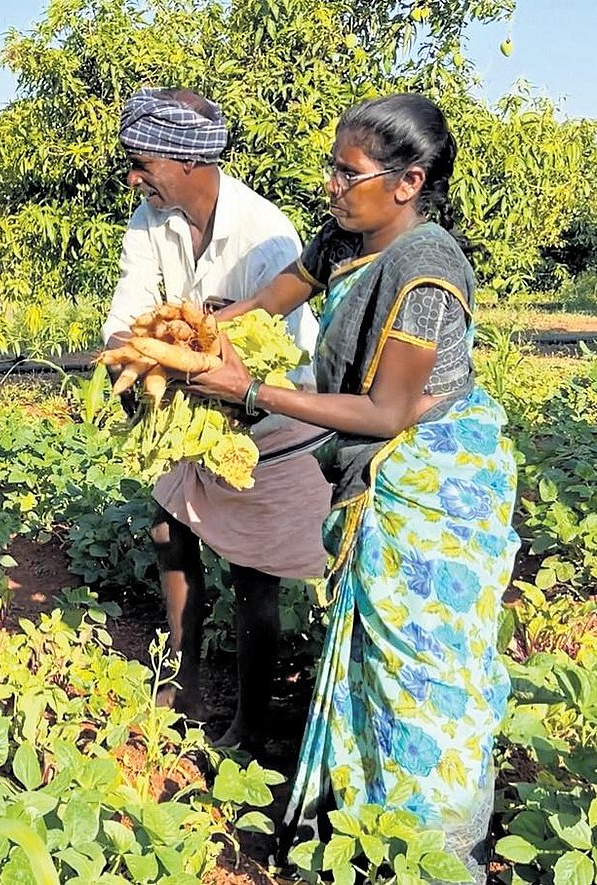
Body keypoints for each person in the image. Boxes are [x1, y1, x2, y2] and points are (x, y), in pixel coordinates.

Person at [188, 93, 518, 880]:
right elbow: (272, 300)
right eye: (332, 166)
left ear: (408, 181)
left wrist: (251, 393)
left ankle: (435, 853)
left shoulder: (425, 271)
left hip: (431, 481)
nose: (331, 183)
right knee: (369, 660)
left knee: (424, 676)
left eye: (349, 171)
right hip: (378, 470)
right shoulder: (348, 239)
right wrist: (195, 332)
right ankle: (367, 833)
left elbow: (386, 409)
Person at [104, 87, 333, 750]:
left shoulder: (265, 235)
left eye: (142, 161)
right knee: (167, 529)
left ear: (187, 162)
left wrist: (182, 351)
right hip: (190, 405)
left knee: (253, 571)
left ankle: (253, 724)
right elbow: (130, 304)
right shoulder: (152, 217)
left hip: (272, 412)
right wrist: (130, 351)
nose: (133, 176)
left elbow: (266, 356)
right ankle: (185, 683)